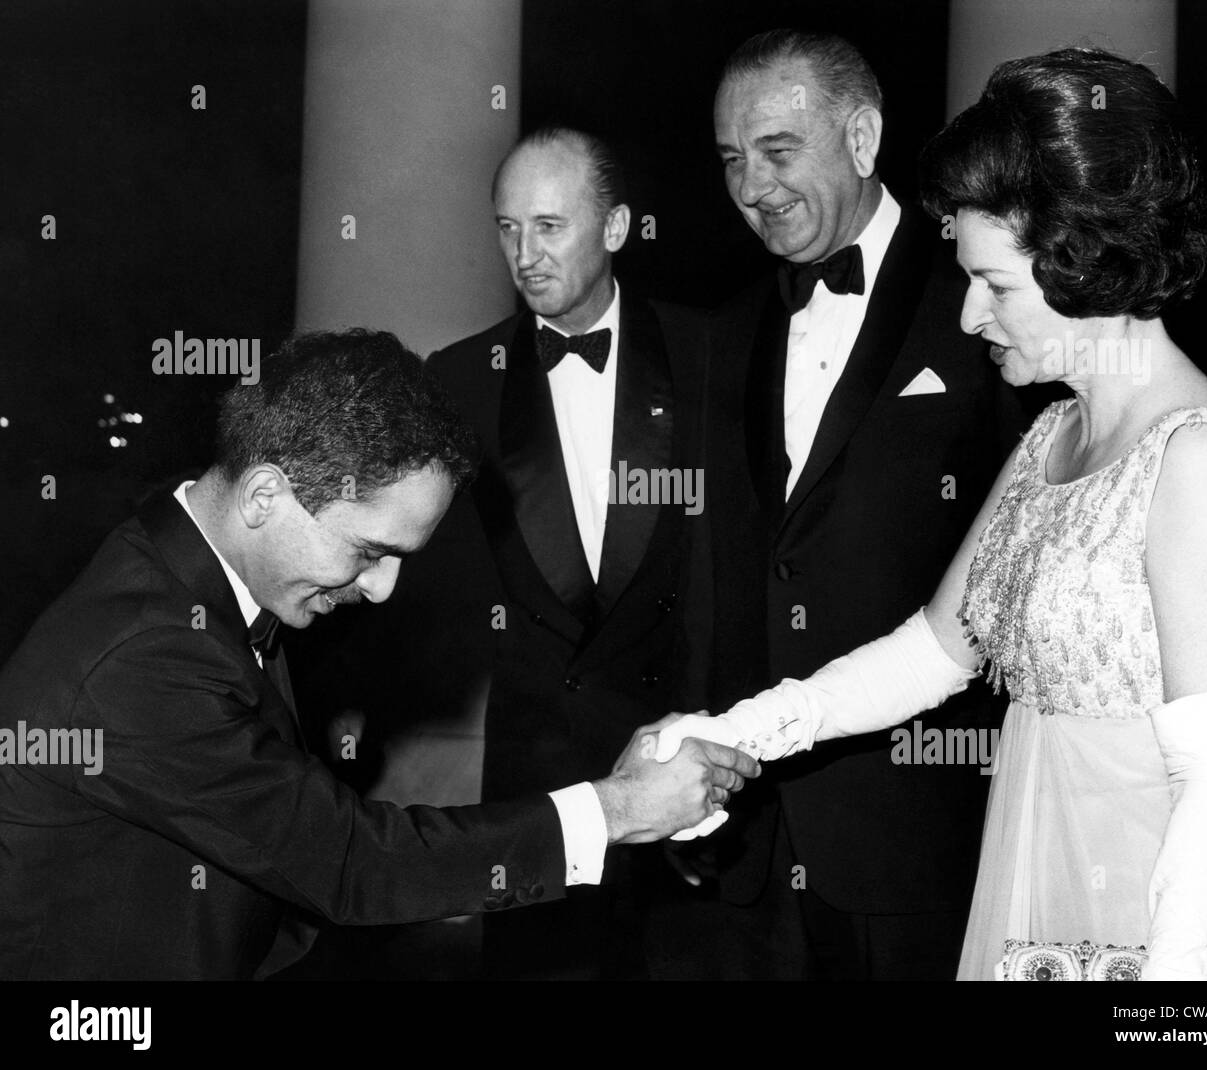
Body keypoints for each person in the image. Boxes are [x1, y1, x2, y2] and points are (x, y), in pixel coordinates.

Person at [659, 47, 1207, 981]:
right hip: (1038, 875)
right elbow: (927, 654)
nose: (967, 317)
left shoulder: (1199, 461)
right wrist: (735, 732)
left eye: (995, 285)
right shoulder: (1050, 439)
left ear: (1086, 262)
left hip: (1160, 913)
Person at [0, 328, 757, 981]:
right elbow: (354, 862)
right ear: (264, 497)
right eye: (368, 551)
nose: (383, 588)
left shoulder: (190, 565)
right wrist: (618, 809)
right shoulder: (140, 657)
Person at [660, 29, 1025, 980]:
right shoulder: (727, 328)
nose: (752, 187)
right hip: (748, 835)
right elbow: (709, 574)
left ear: (862, 138)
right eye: (732, 160)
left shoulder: (986, 302)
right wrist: (694, 779)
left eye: (778, 151)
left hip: (923, 831)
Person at [424, 130, 711, 979]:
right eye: (508, 228)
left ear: (616, 227)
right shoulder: (461, 377)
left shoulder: (708, 354)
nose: (524, 254)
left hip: (684, 767)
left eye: (549, 226)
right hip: (536, 789)